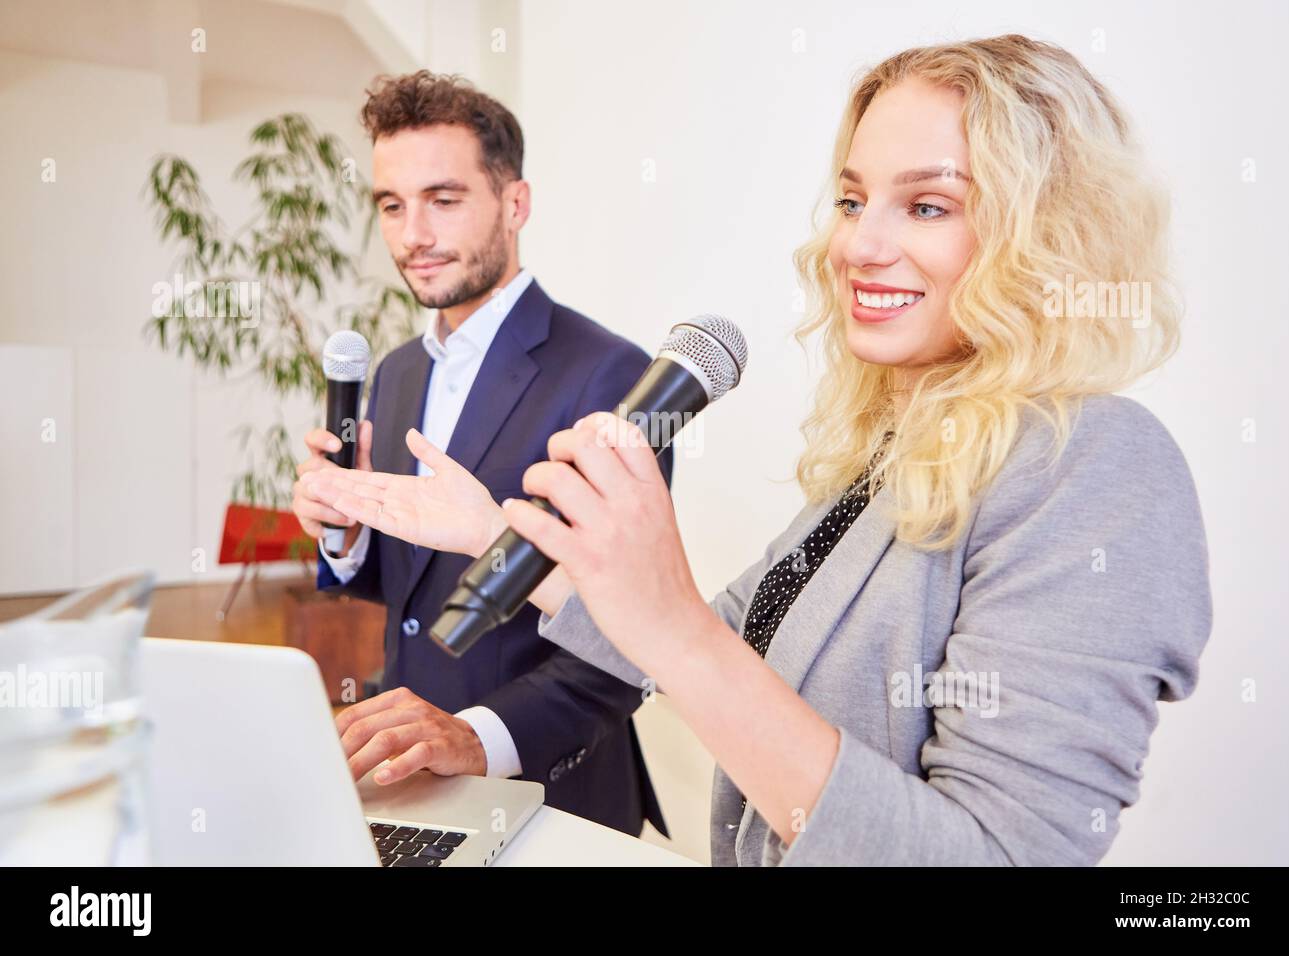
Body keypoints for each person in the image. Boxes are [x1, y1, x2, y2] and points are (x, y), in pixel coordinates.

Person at [304, 37, 1212, 865]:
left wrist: (668, 620)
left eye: (927, 205)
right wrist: (492, 534)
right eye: (854, 200)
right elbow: (721, 642)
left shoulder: (1100, 467)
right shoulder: (895, 458)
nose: (860, 243)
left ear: (1047, 232)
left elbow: (996, 857)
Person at [291, 71, 670, 839]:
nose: (413, 235)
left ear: (515, 203)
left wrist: (474, 737)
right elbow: (405, 590)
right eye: (392, 206)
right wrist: (345, 531)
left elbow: (632, 634)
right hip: (412, 779)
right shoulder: (396, 372)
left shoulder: (613, 375)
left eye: (444, 199)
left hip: (550, 791)